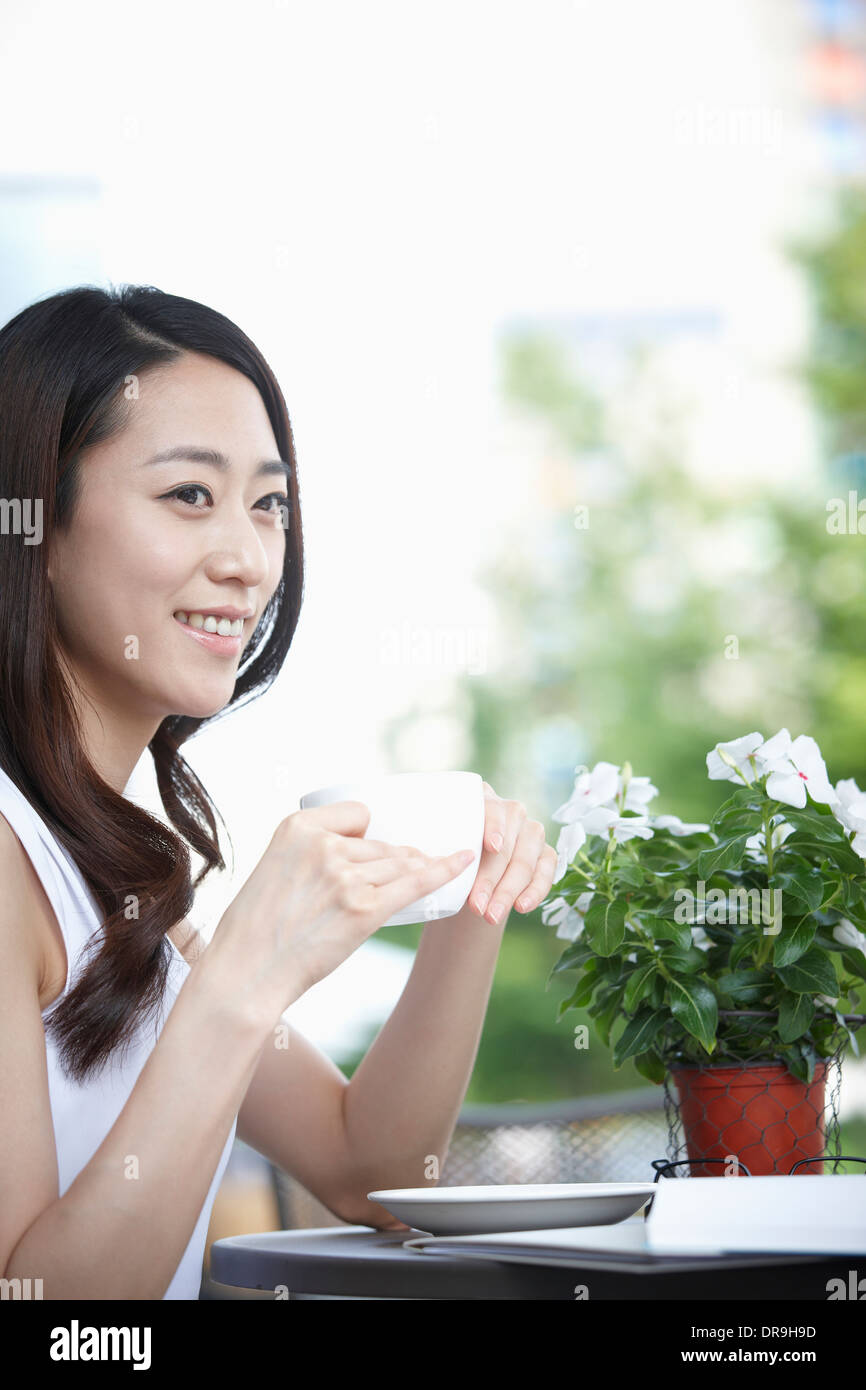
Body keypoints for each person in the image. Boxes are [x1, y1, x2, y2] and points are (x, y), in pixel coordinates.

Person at [0, 284, 557, 1299]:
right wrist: (248, 973)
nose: (246, 558)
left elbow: (373, 1172)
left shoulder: (122, 885)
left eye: (268, 504)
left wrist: (467, 896)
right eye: (187, 496)